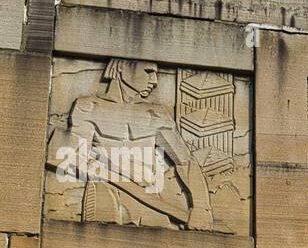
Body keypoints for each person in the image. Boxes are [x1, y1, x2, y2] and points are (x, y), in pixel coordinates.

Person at [47, 58, 215, 230]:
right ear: (121, 67)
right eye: (148, 72)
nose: (154, 81)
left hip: (152, 199)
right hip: (106, 194)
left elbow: (186, 162)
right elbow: (66, 155)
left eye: (156, 74)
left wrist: (202, 207)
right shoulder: (89, 107)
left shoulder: (156, 113)